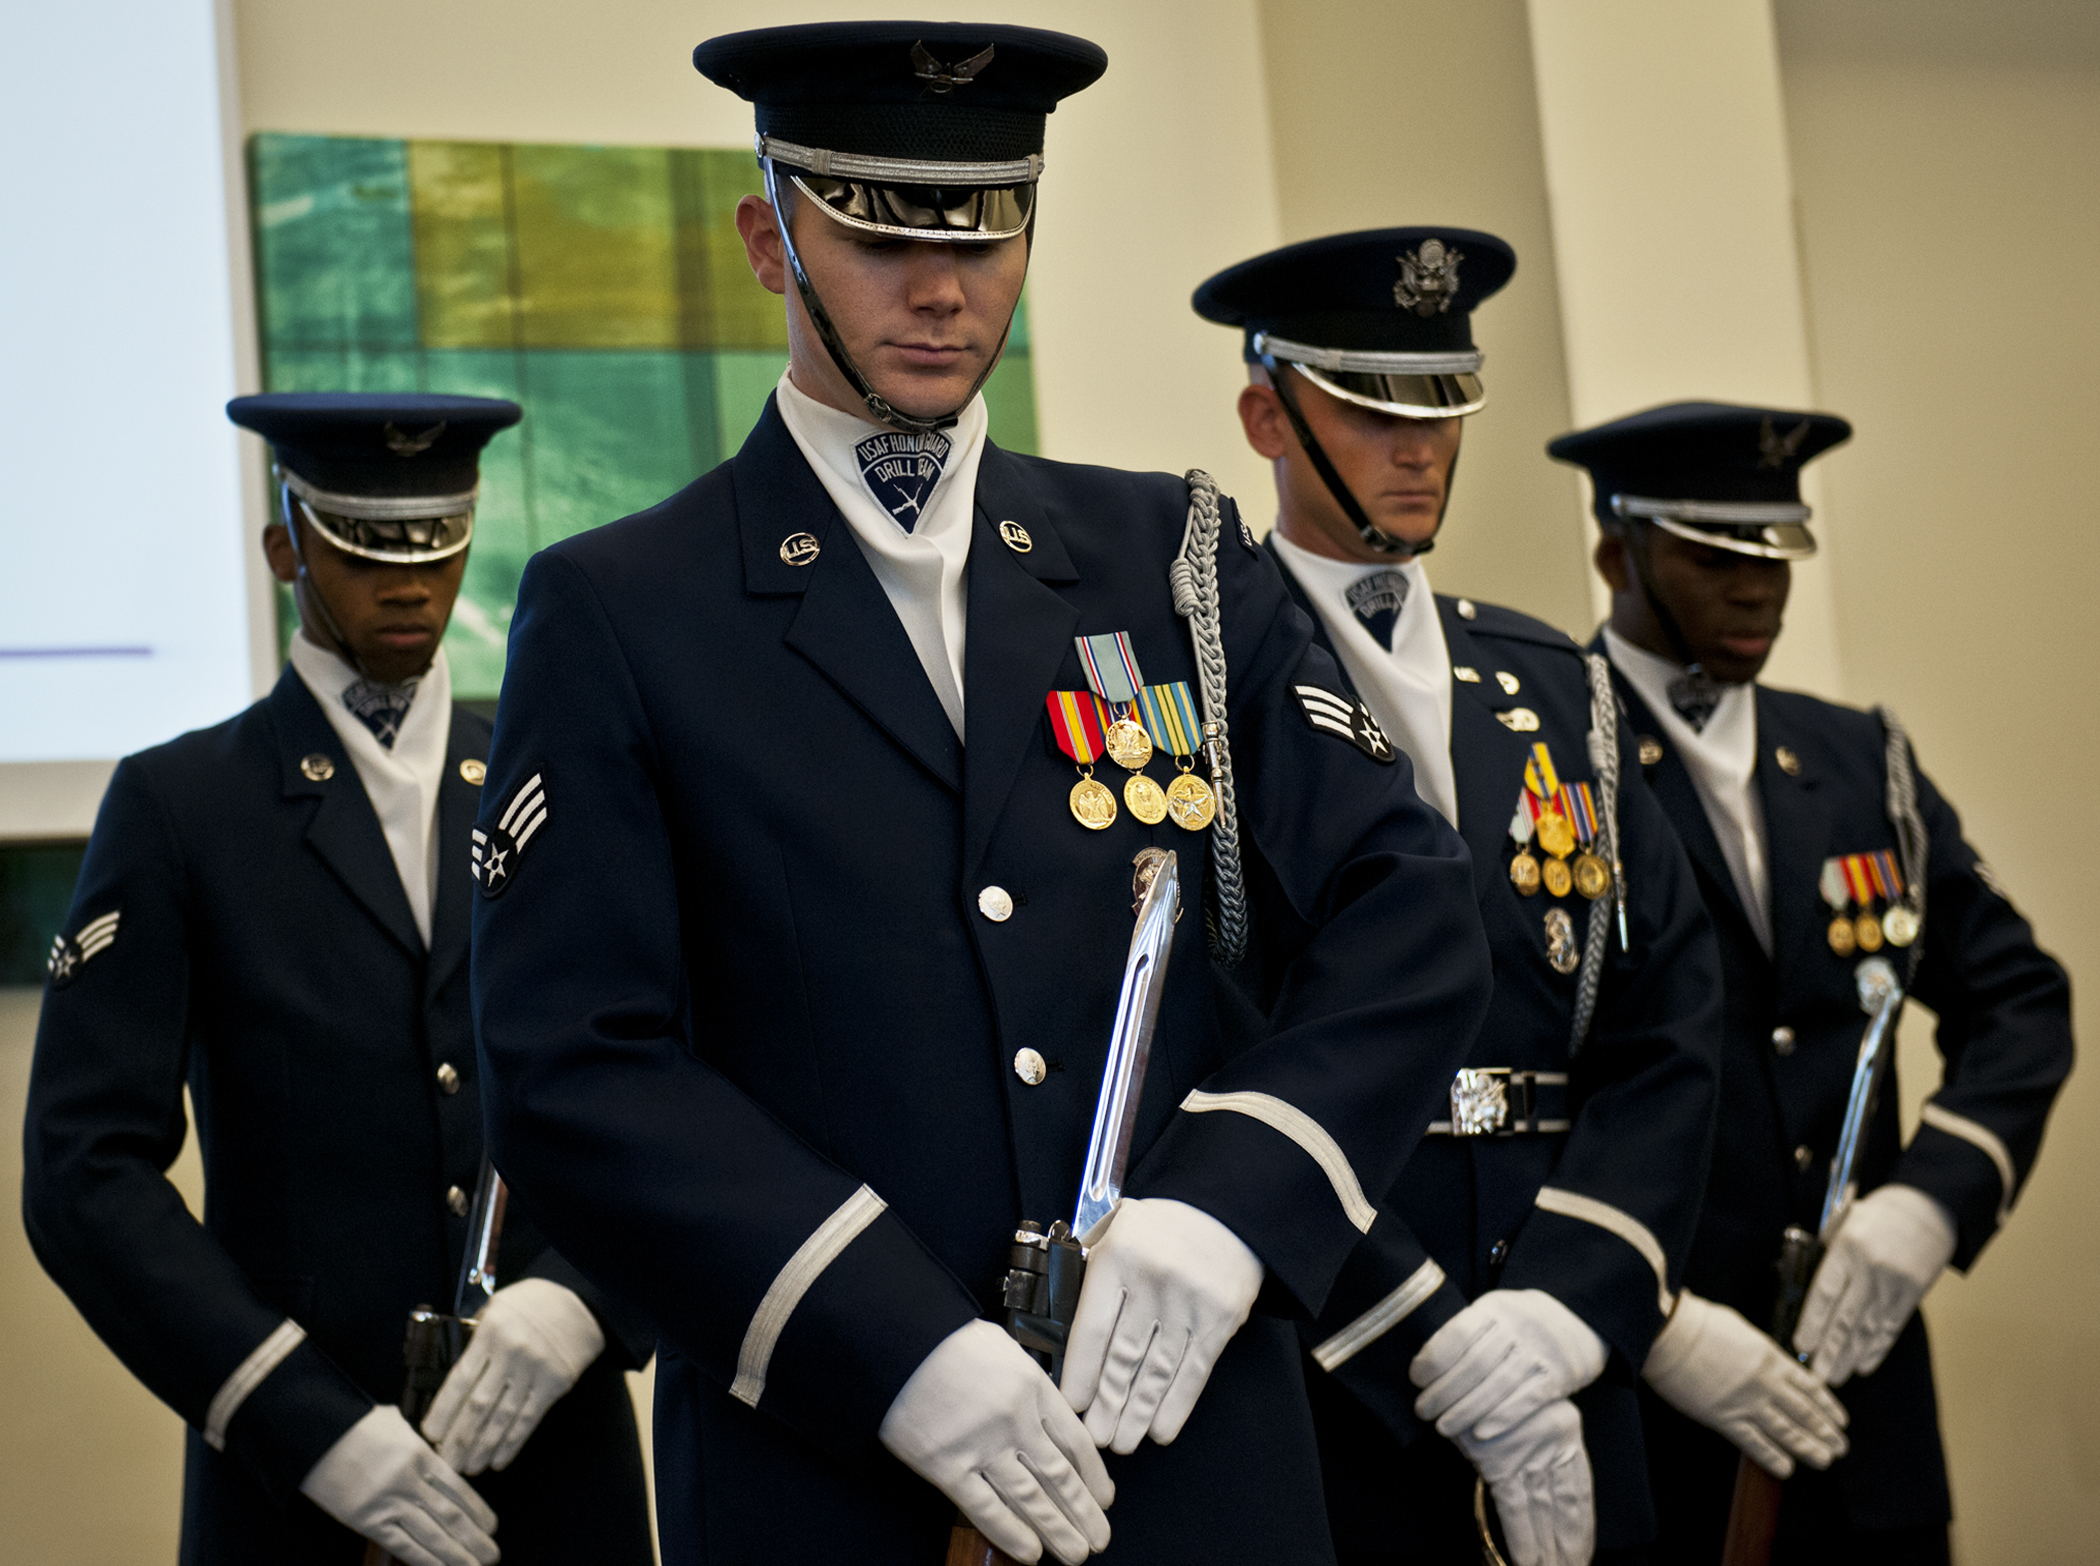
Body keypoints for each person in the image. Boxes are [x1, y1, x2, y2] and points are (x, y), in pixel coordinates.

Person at [469, 22, 1494, 1566]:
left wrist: (1235, 1197)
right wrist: (885, 1339)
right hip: (829, 1462)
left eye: (986, 235)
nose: (942, 292)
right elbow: (574, 1066)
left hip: (1186, 1439)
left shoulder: (1171, 560)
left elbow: (1407, 904)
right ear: (770, 239)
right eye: (880, 238)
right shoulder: (626, 608)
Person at [23, 394, 655, 1566]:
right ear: (285, 549)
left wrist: (587, 1297)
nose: (409, 586)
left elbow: (670, 1075)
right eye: (365, 551)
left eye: (437, 548)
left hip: (560, 1461)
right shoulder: (184, 807)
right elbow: (83, 1171)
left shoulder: (559, 774)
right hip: (301, 1485)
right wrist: (294, 1417)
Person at [1193, 230, 1740, 1566]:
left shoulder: (1556, 684)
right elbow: (1202, 1026)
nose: (1419, 449)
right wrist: (1408, 1323)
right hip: (1325, 1335)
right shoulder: (1204, 683)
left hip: (1555, 1320)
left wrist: (1573, 1297)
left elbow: (1669, 1014)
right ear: (1268, 419)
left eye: (1441, 409)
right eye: (1372, 411)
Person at [1548, 400, 2074, 1561]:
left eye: (1776, 554)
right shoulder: (1541, 751)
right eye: (1714, 557)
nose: (1757, 591)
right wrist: (1646, 1311)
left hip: (1863, 1420)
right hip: (1652, 1403)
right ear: (1617, 552)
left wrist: (1933, 1197)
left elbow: (2020, 998)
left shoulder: (1858, 760)